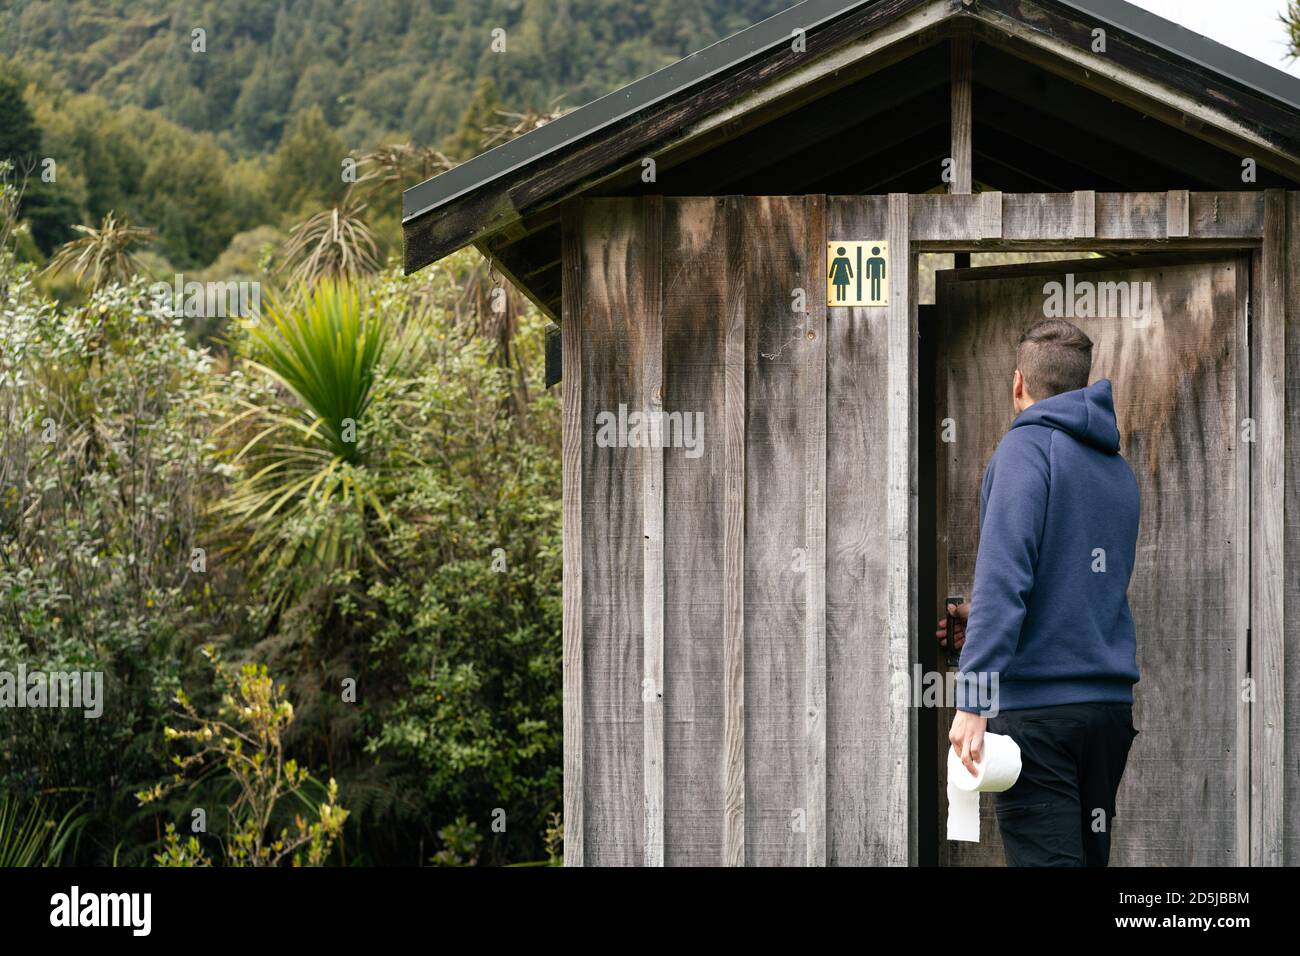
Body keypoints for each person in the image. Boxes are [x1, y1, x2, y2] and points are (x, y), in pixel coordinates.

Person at [937, 318, 1142, 867]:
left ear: (1017, 384)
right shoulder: (1117, 469)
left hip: (1039, 715)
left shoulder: (1025, 450)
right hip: (1106, 713)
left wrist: (974, 699)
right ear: (1080, 388)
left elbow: (1006, 577)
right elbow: (1072, 583)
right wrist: (977, 620)